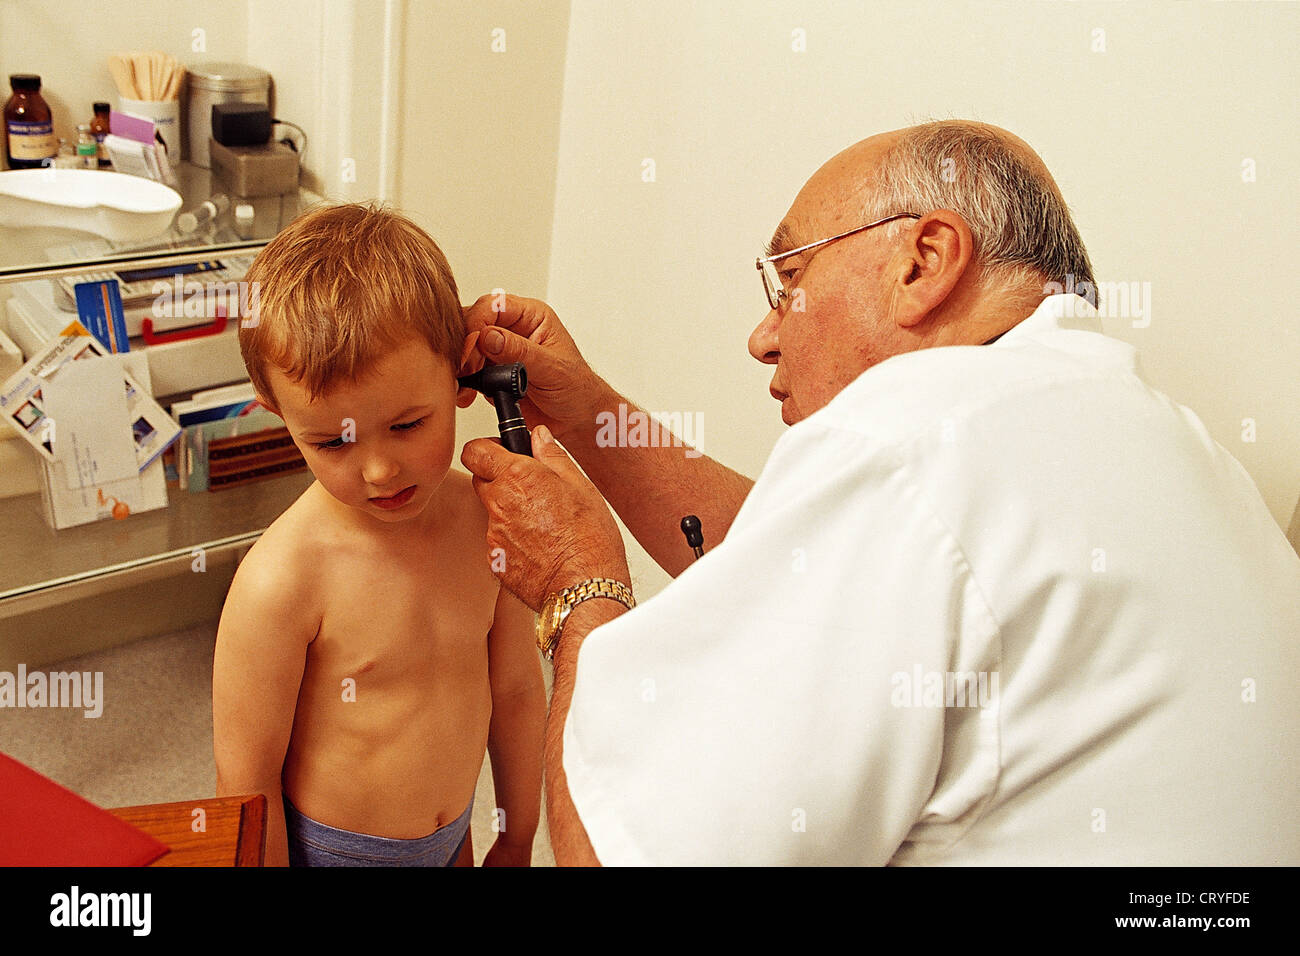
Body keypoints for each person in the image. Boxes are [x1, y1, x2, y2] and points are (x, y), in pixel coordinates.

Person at [457, 120, 1300, 865]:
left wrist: (579, 584)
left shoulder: (917, 433)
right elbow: (804, 568)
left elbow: (618, 852)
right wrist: (589, 411)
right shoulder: (1161, 444)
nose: (762, 335)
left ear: (924, 263)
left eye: (787, 277)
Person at [213, 203, 545, 867]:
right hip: (334, 854)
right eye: (330, 442)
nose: (378, 470)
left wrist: (515, 834)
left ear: (462, 376)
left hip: (454, 840)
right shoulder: (281, 580)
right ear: (279, 415)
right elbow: (248, 785)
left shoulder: (491, 522)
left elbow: (513, 693)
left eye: (406, 425)